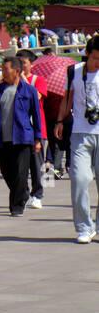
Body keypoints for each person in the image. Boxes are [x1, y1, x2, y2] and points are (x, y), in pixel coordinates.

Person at [0, 56, 43, 218]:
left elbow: (36, 115)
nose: (2, 72)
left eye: (6, 69)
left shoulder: (29, 90)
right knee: (6, 171)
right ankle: (23, 192)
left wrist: (37, 138)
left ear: (17, 71)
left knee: (20, 172)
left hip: (23, 137)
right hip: (2, 138)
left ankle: (16, 205)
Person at [59, 36, 99, 242]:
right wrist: (59, 121)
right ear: (87, 55)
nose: (97, 62)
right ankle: (84, 227)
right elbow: (67, 99)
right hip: (80, 134)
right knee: (80, 180)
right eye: (95, 58)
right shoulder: (74, 72)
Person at [16, 51, 49, 208]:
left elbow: (37, 96)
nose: (21, 65)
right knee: (19, 165)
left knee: (37, 164)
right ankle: (23, 193)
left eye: (23, 62)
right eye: (18, 62)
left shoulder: (38, 80)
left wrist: (24, 80)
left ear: (31, 64)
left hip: (36, 128)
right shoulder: (11, 81)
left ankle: (38, 194)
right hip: (18, 129)